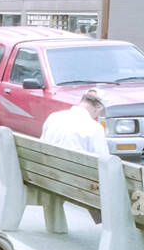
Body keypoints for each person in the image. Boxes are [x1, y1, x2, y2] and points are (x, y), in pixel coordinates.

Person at [41, 90, 108, 223]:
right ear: (98, 108)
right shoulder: (94, 128)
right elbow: (104, 162)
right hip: (74, 185)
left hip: (46, 176)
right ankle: (115, 225)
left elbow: (41, 144)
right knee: (122, 187)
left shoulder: (53, 117)